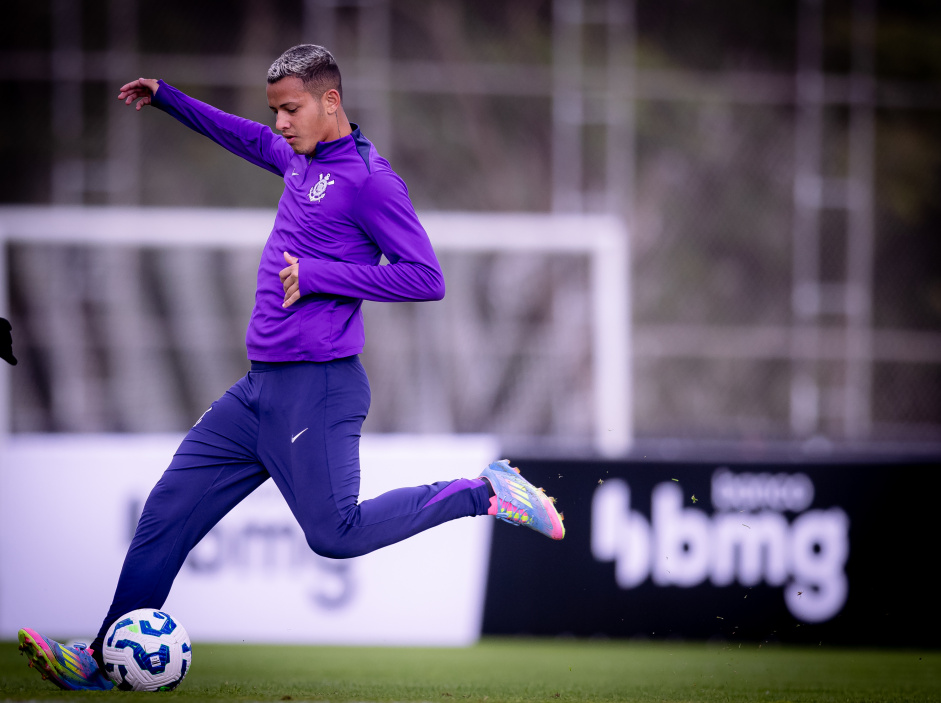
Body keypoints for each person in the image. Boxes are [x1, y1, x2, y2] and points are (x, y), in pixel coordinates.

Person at [17, 44, 564, 691]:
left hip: (319, 388)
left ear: (331, 101)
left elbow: (426, 277)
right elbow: (245, 137)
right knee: (166, 509)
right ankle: (106, 658)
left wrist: (321, 274)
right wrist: (168, 99)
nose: (279, 122)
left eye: (290, 108)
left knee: (335, 535)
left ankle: (486, 492)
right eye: (275, 109)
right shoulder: (298, 158)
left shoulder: (368, 180)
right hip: (258, 391)